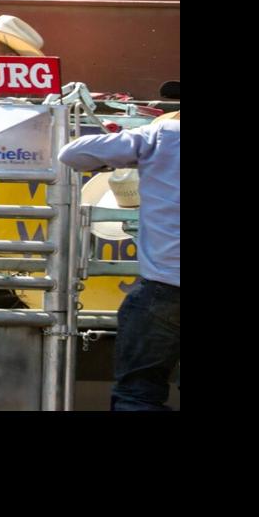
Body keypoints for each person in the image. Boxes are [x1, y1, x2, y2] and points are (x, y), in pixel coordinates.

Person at [57, 111, 180, 411]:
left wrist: (126, 156)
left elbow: (72, 154)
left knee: (138, 394)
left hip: (164, 289)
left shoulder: (161, 136)